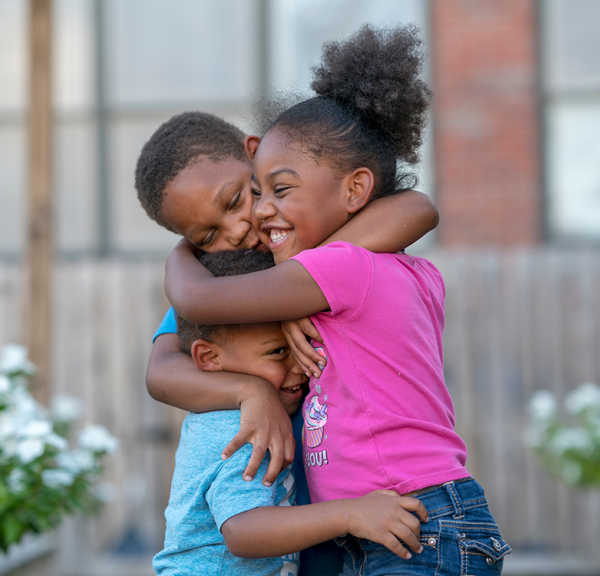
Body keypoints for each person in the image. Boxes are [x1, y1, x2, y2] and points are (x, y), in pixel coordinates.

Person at [164, 24, 511, 575]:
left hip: (410, 516)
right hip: (399, 518)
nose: (258, 212)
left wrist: (184, 248)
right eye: (260, 191)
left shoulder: (339, 269)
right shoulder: (394, 267)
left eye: (278, 190)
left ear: (354, 190)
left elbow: (199, 300)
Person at [138, 111, 438, 574]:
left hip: (360, 499)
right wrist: (251, 391)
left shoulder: (313, 238)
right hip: (295, 508)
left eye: (236, 199)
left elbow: (418, 209)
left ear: (255, 154)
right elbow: (161, 372)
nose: (238, 229)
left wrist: (306, 281)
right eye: (208, 236)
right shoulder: (229, 281)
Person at [153, 250, 428, 576]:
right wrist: (352, 514)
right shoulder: (241, 427)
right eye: (278, 351)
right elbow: (242, 530)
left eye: (303, 346)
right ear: (209, 357)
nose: (300, 365)